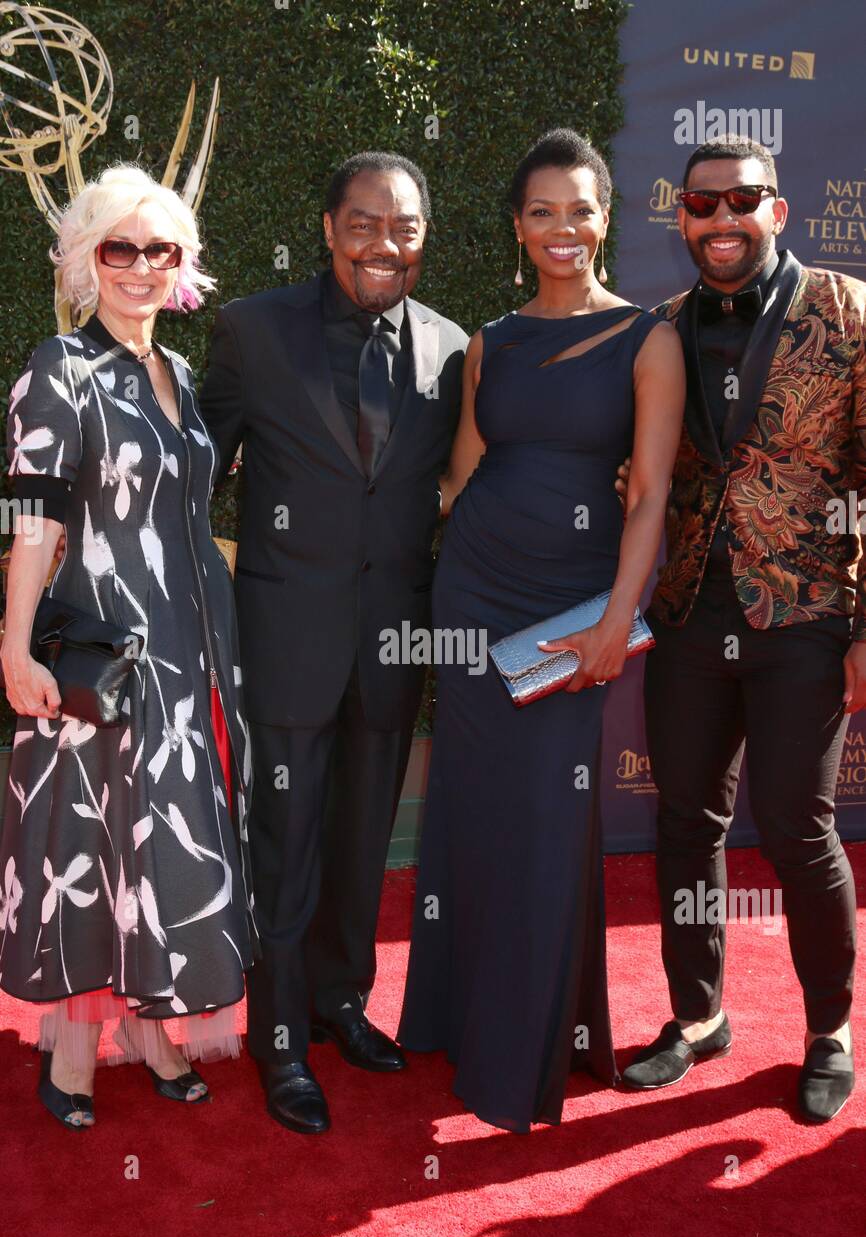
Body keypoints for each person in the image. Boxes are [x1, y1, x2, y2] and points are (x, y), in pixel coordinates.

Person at [396, 129, 685, 1133]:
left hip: (572, 607)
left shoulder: (648, 339)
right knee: (471, 812)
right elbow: (461, 476)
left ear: (605, 215)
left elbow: (646, 493)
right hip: (473, 589)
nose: (562, 228)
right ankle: (453, 1019)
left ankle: (526, 1055)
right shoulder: (492, 341)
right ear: (517, 227)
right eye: (541, 212)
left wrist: (616, 616)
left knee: (548, 819)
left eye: (579, 208)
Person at [198, 152, 468, 1135]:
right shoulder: (253, 330)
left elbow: (469, 481)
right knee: (285, 847)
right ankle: (276, 1044)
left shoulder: (449, 349)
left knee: (359, 845)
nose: (382, 245)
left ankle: (338, 1003)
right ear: (325, 227)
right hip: (285, 641)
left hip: (393, 646)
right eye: (362, 224)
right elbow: (195, 473)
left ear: (422, 237)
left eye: (402, 228)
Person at [0, 164, 259, 1129]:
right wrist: (15, 646)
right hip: (105, 659)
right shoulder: (56, 370)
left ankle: (152, 1031)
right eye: (121, 248)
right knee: (92, 836)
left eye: (162, 250)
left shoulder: (178, 373)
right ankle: (72, 1054)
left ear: (183, 264)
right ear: (85, 259)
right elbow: (33, 518)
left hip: (190, 655)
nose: (142, 267)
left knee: (164, 846)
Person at [620, 136, 863, 1123]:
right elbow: (641, 477)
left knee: (799, 827)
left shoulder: (846, 312)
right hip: (687, 614)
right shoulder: (663, 327)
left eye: (741, 200)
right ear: (678, 217)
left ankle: (828, 1031)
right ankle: (696, 1016)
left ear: (779, 208)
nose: (720, 220)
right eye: (700, 204)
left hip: (803, 615)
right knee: (684, 822)